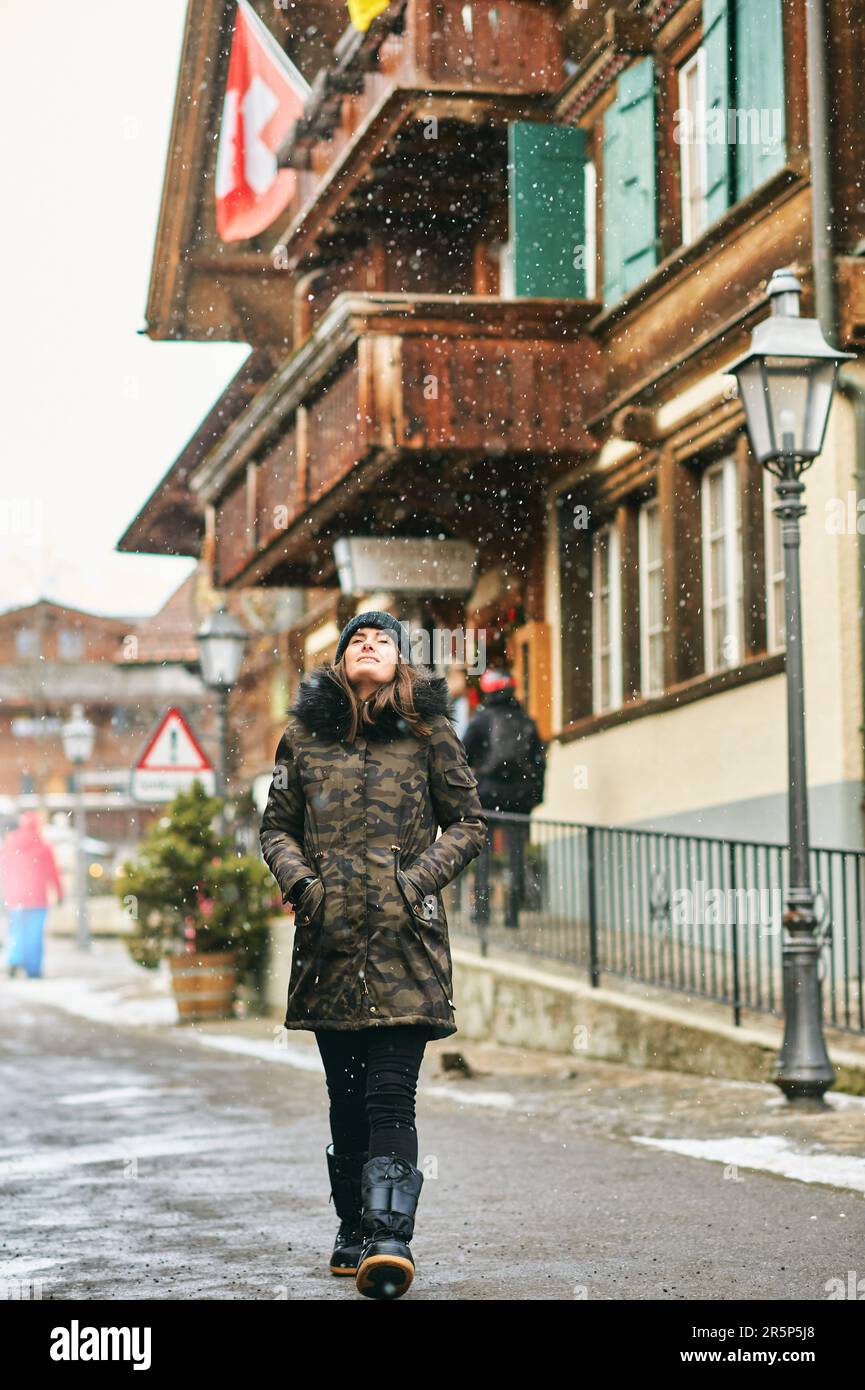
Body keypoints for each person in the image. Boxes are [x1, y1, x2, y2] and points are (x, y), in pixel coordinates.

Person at [259, 611, 487, 1300]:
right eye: (357, 637)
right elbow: (276, 826)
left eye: (382, 640)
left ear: (400, 664)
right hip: (328, 946)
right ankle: (353, 1229)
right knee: (345, 1099)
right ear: (340, 658)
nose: (368, 645)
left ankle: (389, 1238)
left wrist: (414, 880)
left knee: (391, 1096)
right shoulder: (303, 736)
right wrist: (305, 885)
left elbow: (469, 822)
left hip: (404, 945)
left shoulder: (427, 734)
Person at [462, 668, 546, 931]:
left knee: (483, 853)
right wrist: (535, 796)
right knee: (516, 853)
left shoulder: (482, 719)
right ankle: (513, 913)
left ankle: (483, 912)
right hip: (520, 797)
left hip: (488, 794)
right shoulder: (526, 721)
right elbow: (540, 761)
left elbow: (463, 755)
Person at [0, 811, 64, 978]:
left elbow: (3, 870)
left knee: (16, 931)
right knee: (34, 934)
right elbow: (53, 873)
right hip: (37, 898)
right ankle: (33, 969)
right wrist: (60, 893)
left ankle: (14, 960)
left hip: (15, 898)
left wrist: (6, 892)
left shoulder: (10, 844)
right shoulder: (43, 846)